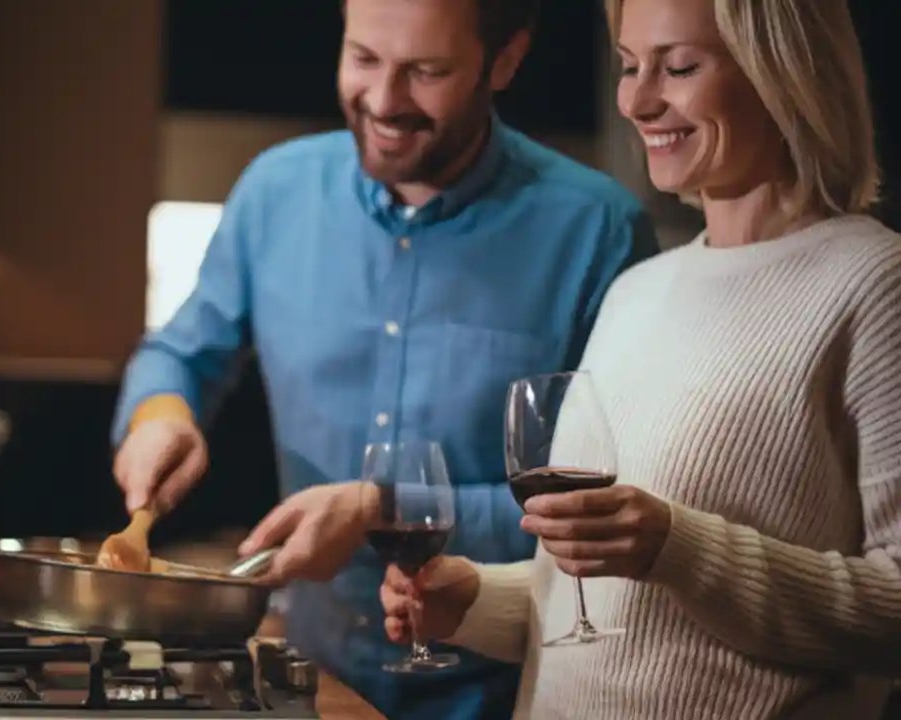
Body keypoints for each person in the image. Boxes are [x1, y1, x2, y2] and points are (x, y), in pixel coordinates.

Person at [111, 0, 659, 717]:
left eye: (425, 71)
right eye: (363, 58)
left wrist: (384, 509)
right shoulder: (275, 191)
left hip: (503, 690)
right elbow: (180, 353)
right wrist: (160, 417)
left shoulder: (597, 230)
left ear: (505, 60)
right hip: (312, 683)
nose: (383, 100)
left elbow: (601, 498)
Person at [372, 0, 901, 717]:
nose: (638, 101)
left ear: (785, 72)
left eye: (678, 67)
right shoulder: (637, 290)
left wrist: (679, 547)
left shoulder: (876, 282)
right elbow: (617, 616)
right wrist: (475, 599)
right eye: (629, 66)